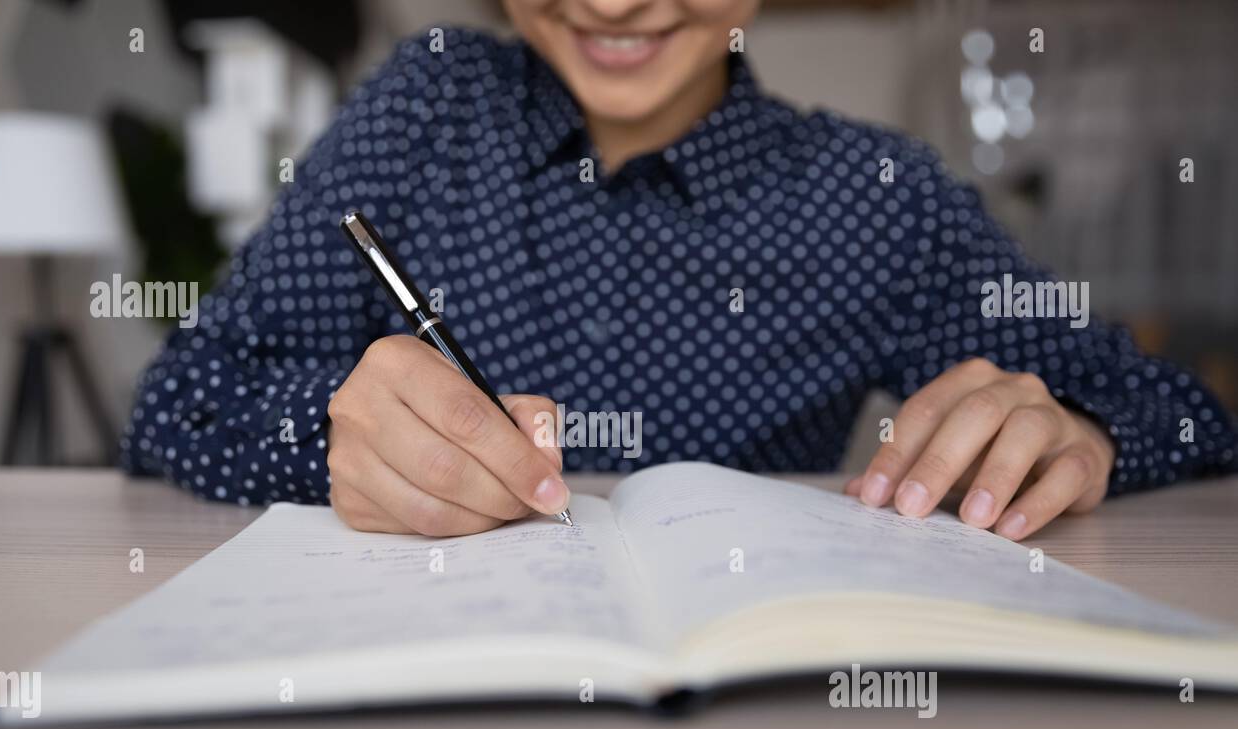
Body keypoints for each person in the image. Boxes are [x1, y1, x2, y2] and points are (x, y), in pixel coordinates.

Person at [120, 0, 1236, 540]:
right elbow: (175, 400)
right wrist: (329, 433)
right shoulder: (428, 107)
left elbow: (1188, 414)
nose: (611, 5)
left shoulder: (876, 199)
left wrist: (1084, 430)